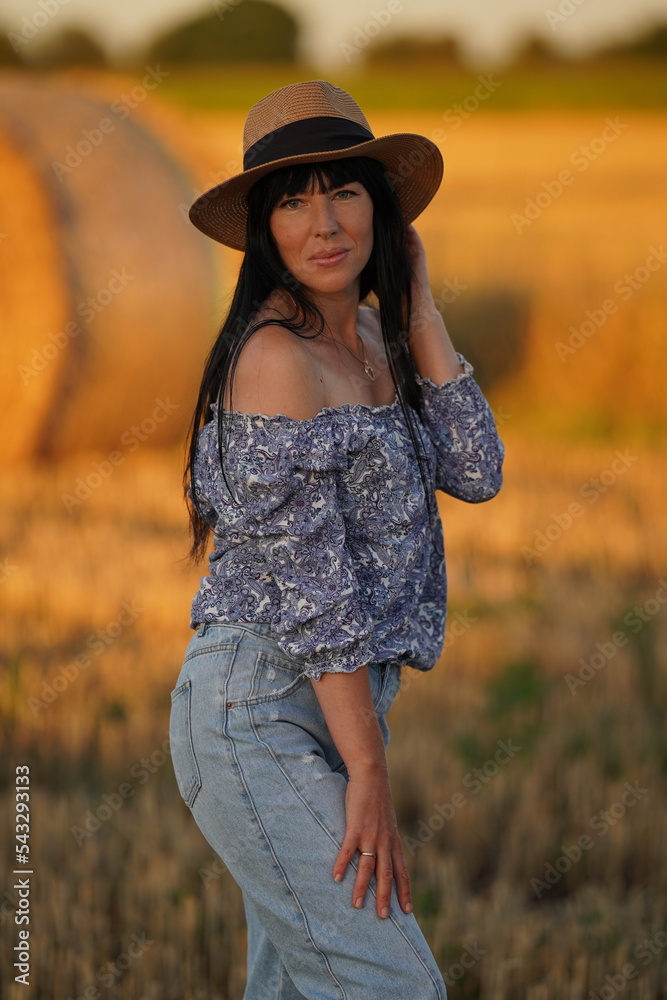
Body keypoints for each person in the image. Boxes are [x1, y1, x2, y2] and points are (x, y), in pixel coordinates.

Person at [169, 79, 504, 1000]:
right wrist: (367, 771)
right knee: (392, 985)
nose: (324, 222)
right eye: (292, 199)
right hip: (259, 713)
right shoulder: (274, 360)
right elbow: (315, 596)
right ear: (262, 232)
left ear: (382, 212)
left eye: (345, 191)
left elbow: (475, 469)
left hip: (337, 702)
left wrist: (419, 306)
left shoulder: (372, 335)